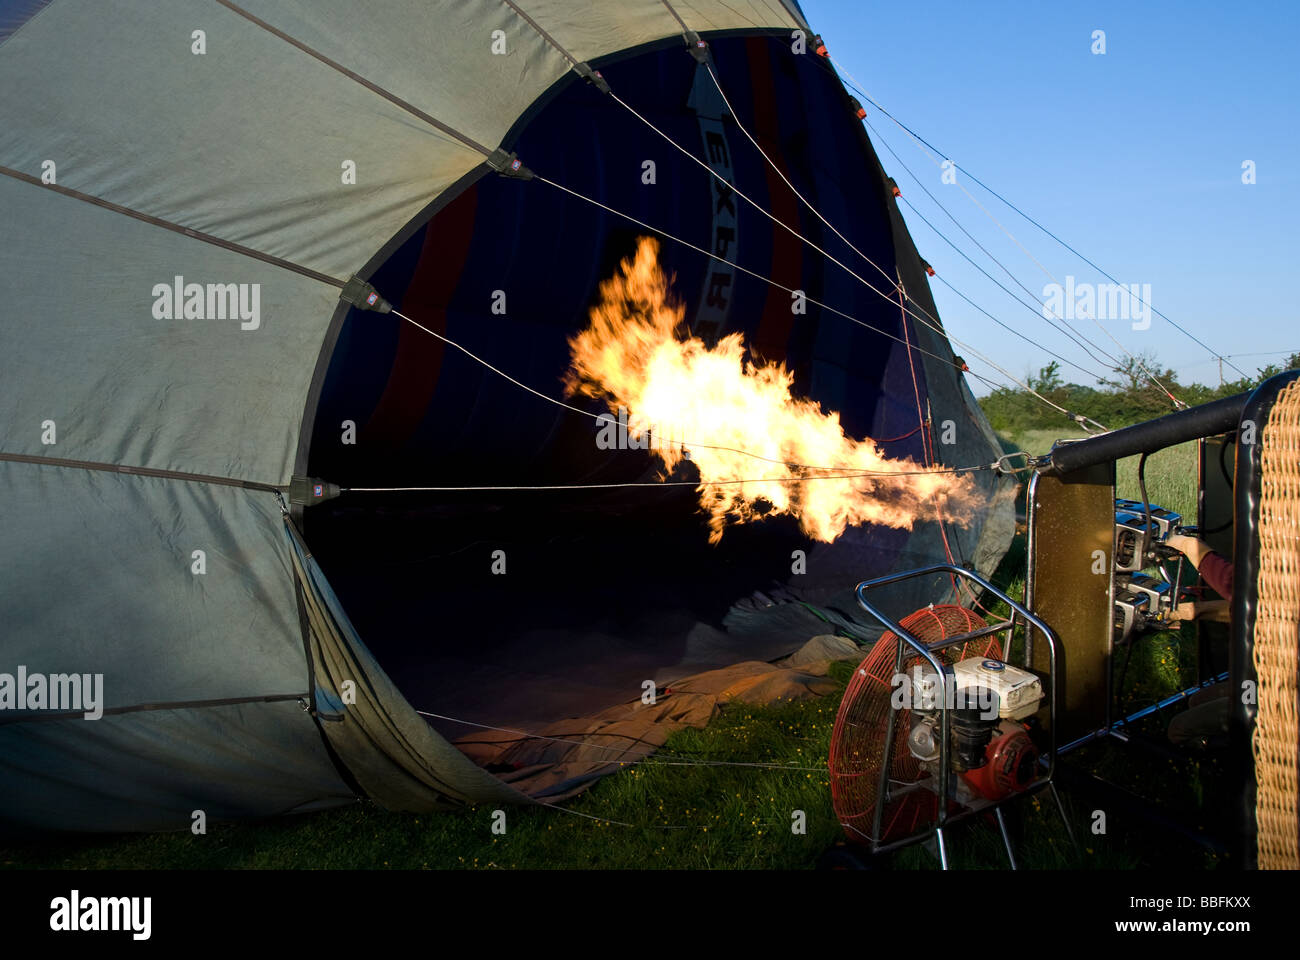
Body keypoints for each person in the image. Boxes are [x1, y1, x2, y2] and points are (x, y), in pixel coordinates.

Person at [1160, 532, 1233, 748]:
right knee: (1197, 700)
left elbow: (1235, 585)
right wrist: (1196, 611)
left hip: (1273, 698)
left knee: (1178, 729)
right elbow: (1254, 609)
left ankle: (1237, 759)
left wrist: (1189, 545)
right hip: (1256, 681)